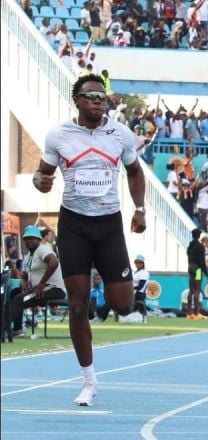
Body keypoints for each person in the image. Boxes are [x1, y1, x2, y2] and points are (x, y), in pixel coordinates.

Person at [32, 73, 146, 406]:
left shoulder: (121, 134)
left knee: (123, 304)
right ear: (77, 100)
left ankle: (99, 298)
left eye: (102, 96)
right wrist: (40, 181)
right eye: (91, 95)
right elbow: (43, 174)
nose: (98, 101)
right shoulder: (59, 135)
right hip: (74, 224)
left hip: (109, 224)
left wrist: (140, 209)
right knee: (77, 304)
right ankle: (88, 380)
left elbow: (135, 171)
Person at [3, 226, 68, 338]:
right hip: (40, 289)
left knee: (19, 299)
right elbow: (25, 274)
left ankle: (2, 329)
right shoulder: (28, 256)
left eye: (32, 238)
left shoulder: (43, 250)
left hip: (53, 289)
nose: (29, 241)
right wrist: (24, 282)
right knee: (14, 293)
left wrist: (41, 284)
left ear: (39, 239)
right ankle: (17, 329)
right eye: (27, 239)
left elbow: (54, 262)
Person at [187, 229, 208, 320]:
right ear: (199, 235)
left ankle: (189, 313)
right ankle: (196, 313)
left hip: (190, 267)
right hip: (198, 269)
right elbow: (202, 261)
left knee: (191, 290)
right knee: (197, 290)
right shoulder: (200, 247)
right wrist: (206, 274)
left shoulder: (190, 246)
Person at [130, 255, 149, 321]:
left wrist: (131, 288)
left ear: (143, 264)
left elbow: (141, 286)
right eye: (136, 262)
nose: (137, 264)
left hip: (140, 293)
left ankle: (144, 318)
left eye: (139, 263)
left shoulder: (144, 273)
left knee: (139, 305)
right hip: (132, 292)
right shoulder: (133, 272)